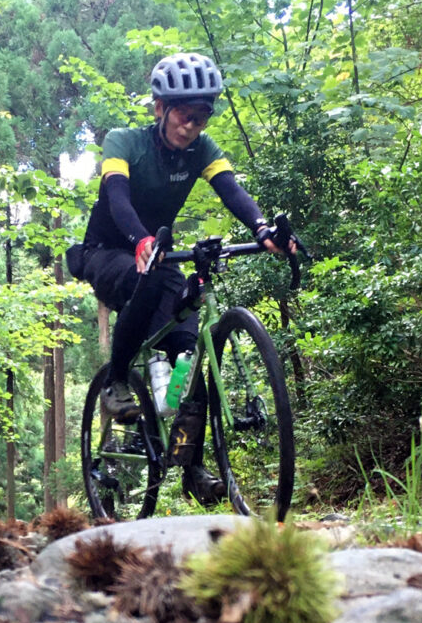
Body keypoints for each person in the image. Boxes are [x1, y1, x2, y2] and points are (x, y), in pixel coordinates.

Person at [71, 51, 293, 505]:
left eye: (200, 117)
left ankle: (191, 467)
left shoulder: (202, 151)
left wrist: (263, 229)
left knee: (188, 348)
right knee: (142, 283)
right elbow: (116, 197)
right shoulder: (123, 142)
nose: (190, 126)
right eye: (183, 115)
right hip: (109, 251)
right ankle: (116, 380)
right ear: (160, 109)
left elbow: (231, 189)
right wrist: (139, 239)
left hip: (160, 255)